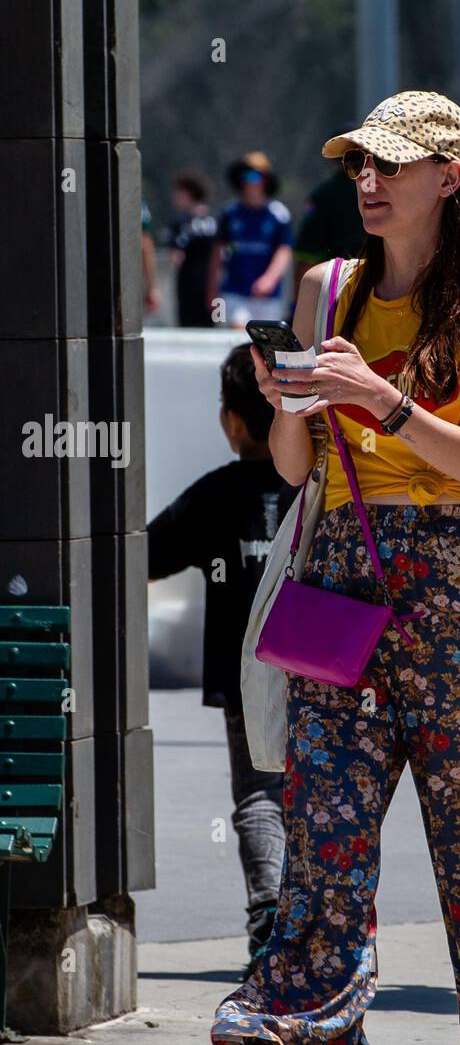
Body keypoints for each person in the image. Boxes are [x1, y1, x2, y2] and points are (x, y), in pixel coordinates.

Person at [211, 91, 460, 1045]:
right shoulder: (328, 286)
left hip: (458, 584)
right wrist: (293, 399)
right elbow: (291, 468)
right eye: (360, 163)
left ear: (447, 177)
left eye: (394, 165)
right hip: (343, 580)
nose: (369, 181)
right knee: (327, 840)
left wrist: (382, 402)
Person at [147, 343, 294, 973]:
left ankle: (269, 917)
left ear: (233, 420)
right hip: (325, 671)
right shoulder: (320, 486)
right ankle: (316, 922)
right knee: (318, 796)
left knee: (259, 793)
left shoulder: (214, 494)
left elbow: (146, 555)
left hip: (245, 680)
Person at [208, 151, 294, 329]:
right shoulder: (229, 213)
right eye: (246, 176)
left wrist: (269, 279)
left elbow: (284, 251)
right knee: (238, 332)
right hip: (235, 291)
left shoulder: (278, 214)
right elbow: (217, 254)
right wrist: (212, 290)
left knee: (267, 341)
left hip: (267, 296)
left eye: (256, 176)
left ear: (265, 180)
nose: (250, 181)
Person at [291, 162, 365, 302]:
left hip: (336, 294)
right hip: (371, 291)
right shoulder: (387, 191)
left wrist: (298, 306)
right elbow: (307, 255)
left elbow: (306, 259)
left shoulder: (324, 195)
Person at [168, 171, 219, 327]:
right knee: (215, 326)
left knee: (188, 329)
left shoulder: (182, 223)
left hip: (188, 286)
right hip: (215, 285)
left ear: (188, 193)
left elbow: (176, 256)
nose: (174, 197)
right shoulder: (216, 220)